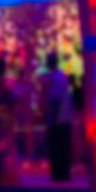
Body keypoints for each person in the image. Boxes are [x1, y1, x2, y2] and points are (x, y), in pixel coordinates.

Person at [41, 52, 73, 182]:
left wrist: (51, 120)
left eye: (49, 60)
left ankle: (58, 174)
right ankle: (64, 174)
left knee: (56, 147)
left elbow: (55, 100)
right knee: (63, 147)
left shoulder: (53, 78)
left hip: (57, 119)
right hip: (65, 118)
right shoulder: (62, 76)